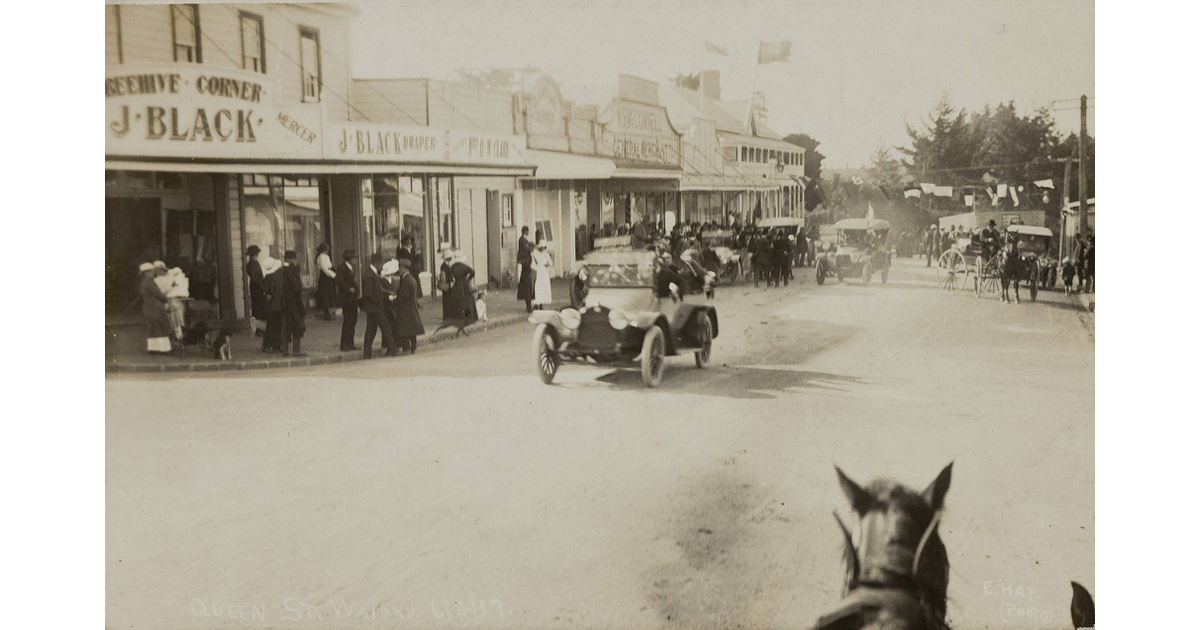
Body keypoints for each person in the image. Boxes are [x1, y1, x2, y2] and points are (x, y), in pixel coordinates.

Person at [361, 252, 396, 359]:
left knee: (371, 331)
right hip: (375, 307)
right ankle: (392, 349)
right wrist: (379, 300)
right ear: (376, 263)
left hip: (373, 307)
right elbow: (368, 293)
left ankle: (367, 354)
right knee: (385, 327)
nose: (381, 265)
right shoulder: (369, 274)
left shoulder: (372, 273)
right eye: (381, 263)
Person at [390, 258, 425, 354]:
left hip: (405, 308)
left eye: (400, 268)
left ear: (405, 268)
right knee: (412, 328)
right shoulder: (411, 278)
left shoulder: (406, 279)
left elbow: (403, 295)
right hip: (411, 307)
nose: (399, 270)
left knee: (404, 328)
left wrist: (394, 300)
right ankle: (413, 347)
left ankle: (407, 348)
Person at [138, 263, 173, 355]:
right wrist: (166, 300)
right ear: (146, 272)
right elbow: (158, 293)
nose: (153, 272)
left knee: (154, 328)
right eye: (151, 271)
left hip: (150, 306)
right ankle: (163, 349)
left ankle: (153, 348)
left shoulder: (146, 281)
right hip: (155, 307)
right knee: (160, 326)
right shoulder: (149, 282)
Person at [277, 250, 308, 356]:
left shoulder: (280, 270)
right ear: (291, 259)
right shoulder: (292, 270)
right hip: (293, 302)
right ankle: (296, 350)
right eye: (295, 258)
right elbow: (296, 287)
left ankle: (285, 350)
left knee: (284, 327)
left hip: (283, 302)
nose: (296, 260)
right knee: (297, 324)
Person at [335, 249, 359, 351]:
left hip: (352, 298)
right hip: (347, 299)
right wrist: (348, 289)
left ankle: (350, 343)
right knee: (348, 321)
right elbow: (339, 281)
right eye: (354, 258)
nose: (355, 260)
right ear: (350, 259)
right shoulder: (342, 268)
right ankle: (345, 344)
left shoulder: (350, 268)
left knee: (352, 321)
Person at [449, 250, 480, 322]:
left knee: (458, 301)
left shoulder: (453, 267)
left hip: (457, 285)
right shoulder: (464, 266)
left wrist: (453, 280)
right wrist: (468, 279)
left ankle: (459, 318)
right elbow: (473, 271)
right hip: (465, 285)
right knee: (467, 301)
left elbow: (451, 277)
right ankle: (469, 317)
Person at [245, 246, 267, 336]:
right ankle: (258, 330)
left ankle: (260, 329)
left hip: (258, 286)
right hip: (256, 288)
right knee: (257, 308)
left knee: (260, 308)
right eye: (256, 252)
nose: (258, 254)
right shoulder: (251, 264)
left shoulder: (254, 262)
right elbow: (255, 278)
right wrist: (263, 287)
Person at [314, 242, 336, 321]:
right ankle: (326, 314)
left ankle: (328, 312)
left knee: (329, 294)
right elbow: (324, 268)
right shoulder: (321, 257)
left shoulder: (326, 256)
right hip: (325, 276)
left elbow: (330, 266)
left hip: (328, 276)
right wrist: (333, 275)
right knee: (325, 295)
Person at [517, 226, 535, 312]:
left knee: (527, 284)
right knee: (528, 284)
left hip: (526, 264)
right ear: (525, 231)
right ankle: (528, 306)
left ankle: (529, 305)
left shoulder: (524, 240)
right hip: (526, 264)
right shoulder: (522, 240)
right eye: (528, 231)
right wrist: (532, 246)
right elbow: (527, 249)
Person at [531, 241, 553, 309]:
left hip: (544, 272)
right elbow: (532, 265)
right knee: (537, 288)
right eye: (541, 248)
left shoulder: (546, 254)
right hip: (537, 272)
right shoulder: (534, 254)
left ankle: (541, 303)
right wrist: (537, 267)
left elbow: (550, 263)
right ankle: (537, 303)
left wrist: (546, 265)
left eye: (543, 248)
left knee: (544, 287)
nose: (542, 249)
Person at [438, 248, 456, 320]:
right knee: (447, 301)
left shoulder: (444, 265)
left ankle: (447, 316)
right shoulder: (445, 266)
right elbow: (443, 276)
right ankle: (447, 317)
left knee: (447, 300)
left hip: (447, 284)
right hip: (447, 284)